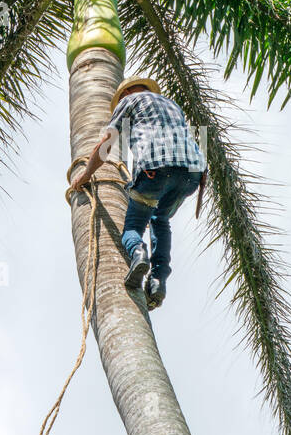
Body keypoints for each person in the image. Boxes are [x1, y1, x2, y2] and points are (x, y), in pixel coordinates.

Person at [69, 76, 206, 309]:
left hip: (155, 170)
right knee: (160, 219)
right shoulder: (173, 106)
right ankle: (158, 280)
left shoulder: (129, 101)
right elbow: (196, 139)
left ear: (126, 93)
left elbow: (107, 142)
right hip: (192, 175)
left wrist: (84, 176)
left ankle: (138, 254)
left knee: (132, 227)